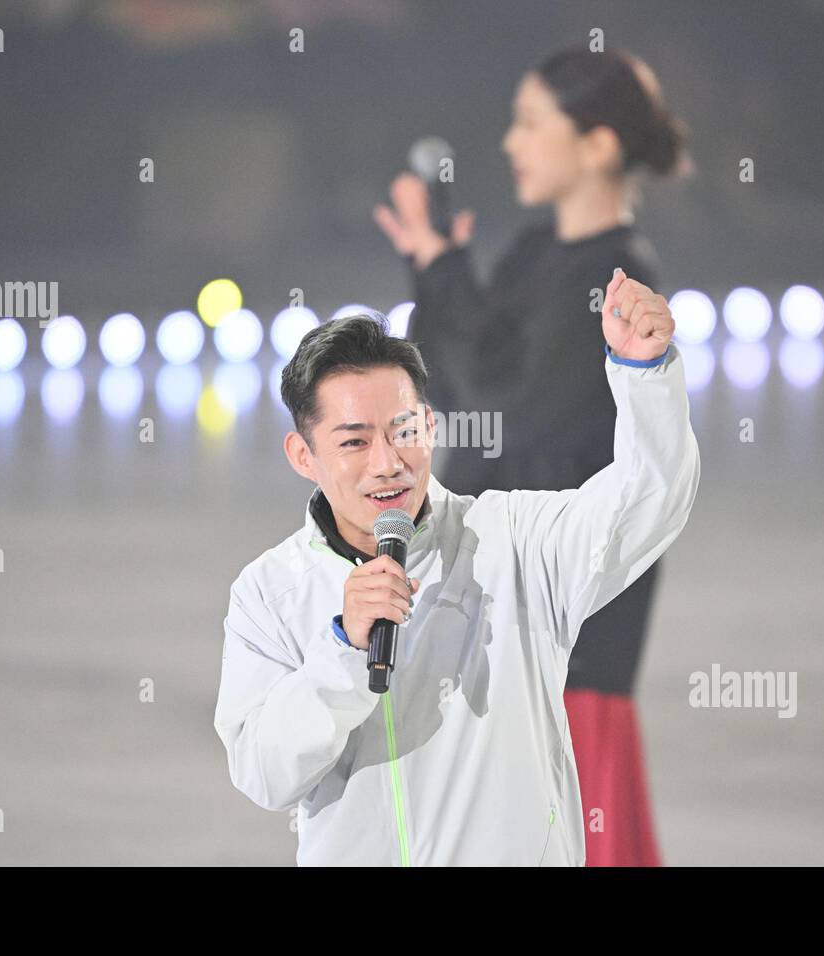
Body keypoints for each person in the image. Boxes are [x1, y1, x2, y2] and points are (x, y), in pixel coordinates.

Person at [214, 270, 699, 865]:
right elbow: (265, 774)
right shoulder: (269, 593)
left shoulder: (513, 542)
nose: (388, 462)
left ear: (432, 426)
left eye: (404, 430)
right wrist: (342, 649)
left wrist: (645, 377)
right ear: (303, 456)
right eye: (354, 442)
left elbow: (646, 501)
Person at [373, 46, 692, 865]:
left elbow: (505, 419)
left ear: (596, 145)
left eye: (529, 123)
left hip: (569, 620)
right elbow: (449, 373)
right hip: (498, 609)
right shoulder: (531, 255)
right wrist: (432, 261)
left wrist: (442, 271)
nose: (511, 144)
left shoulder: (617, 283)